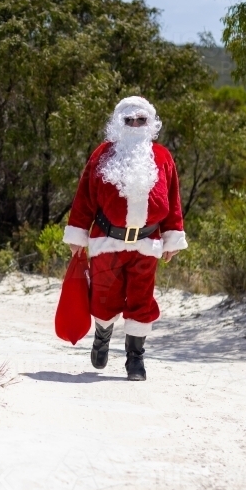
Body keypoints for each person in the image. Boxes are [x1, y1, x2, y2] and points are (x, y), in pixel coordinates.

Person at [62, 96, 187, 381]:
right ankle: (103, 335)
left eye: (140, 120)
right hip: (107, 242)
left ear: (150, 124)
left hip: (147, 243)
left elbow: (173, 200)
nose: (133, 125)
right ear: (118, 123)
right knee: (106, 298)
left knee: (141, 300)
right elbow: (83, 198)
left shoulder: (163, 157)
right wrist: (78, 235)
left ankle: (135, 360)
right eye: (128, 120)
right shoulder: (102, 154)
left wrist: (172, 238)